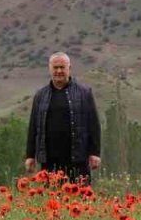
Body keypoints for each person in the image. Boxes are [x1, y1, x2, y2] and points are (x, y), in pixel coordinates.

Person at [24, 52, 102, 184]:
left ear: (69, 68)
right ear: (50, 69)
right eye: (55, 67)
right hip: (49, 161)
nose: (59, 71)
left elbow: (94, 124)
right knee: (51, 202)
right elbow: (33, 127)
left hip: (78, 159)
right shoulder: (40, 95)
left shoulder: (84, 93)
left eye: (62, 67)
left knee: (81, 201)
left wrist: (95, 152)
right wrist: (30, 155)